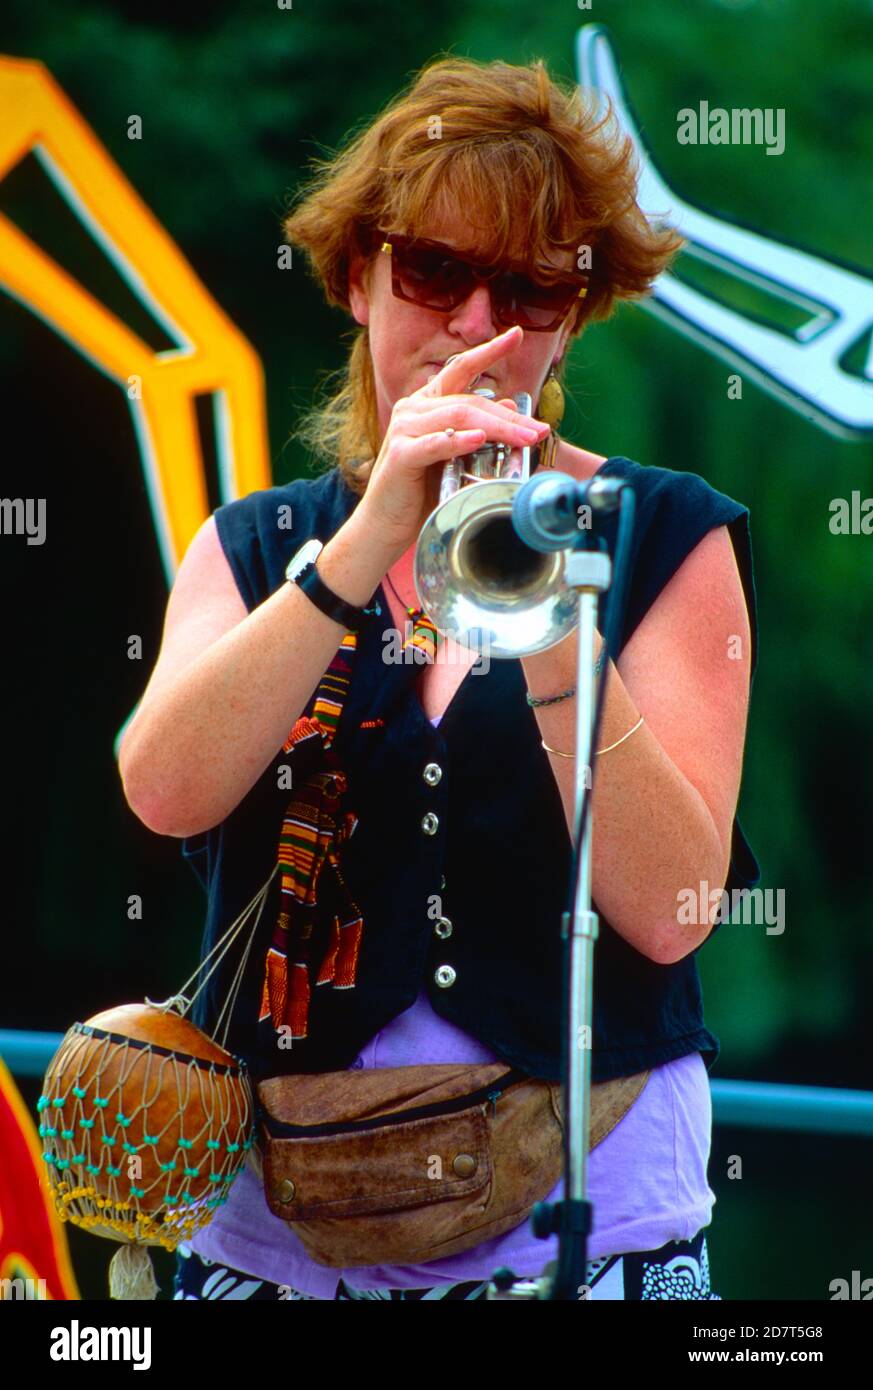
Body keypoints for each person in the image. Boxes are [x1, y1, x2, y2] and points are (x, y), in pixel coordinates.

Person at [119, 55, 760, 1301]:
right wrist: (361, 549)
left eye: (528, 288)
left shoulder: (667, 535)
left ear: (571, 319)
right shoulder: (256, 542)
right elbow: (164, 791)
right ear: (360, 278)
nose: (478, 325)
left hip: (584, 1214)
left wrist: (551, 596)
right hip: (282, 1235)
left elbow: (675, 906)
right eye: (435, 272)